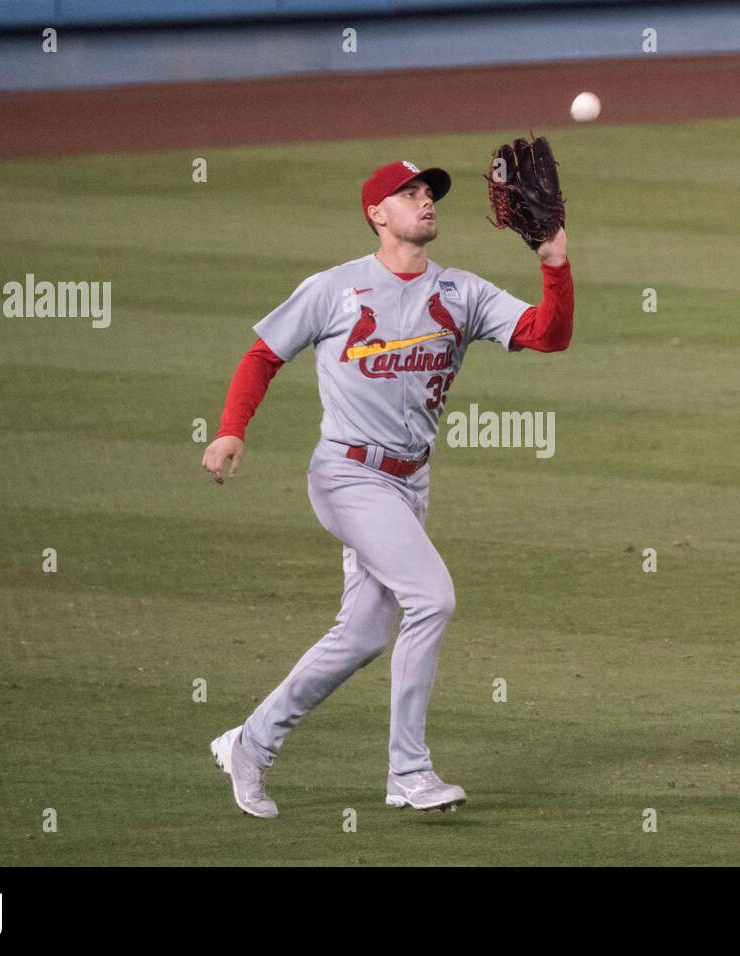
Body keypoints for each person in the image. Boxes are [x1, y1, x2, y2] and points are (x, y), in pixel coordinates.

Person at [203, 159, 574, 815]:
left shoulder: (462, 293)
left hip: (408, 485)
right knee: (432, 598)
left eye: (429, 192)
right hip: (347, 474)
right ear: (378, 213)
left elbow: (550, 336)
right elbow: (262, 354)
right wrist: (231, 430)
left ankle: (249, 745)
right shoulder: (336, 289)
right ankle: (409, 772)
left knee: (363, 635)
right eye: (409, 193)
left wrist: (553, 261)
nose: (425, 200)